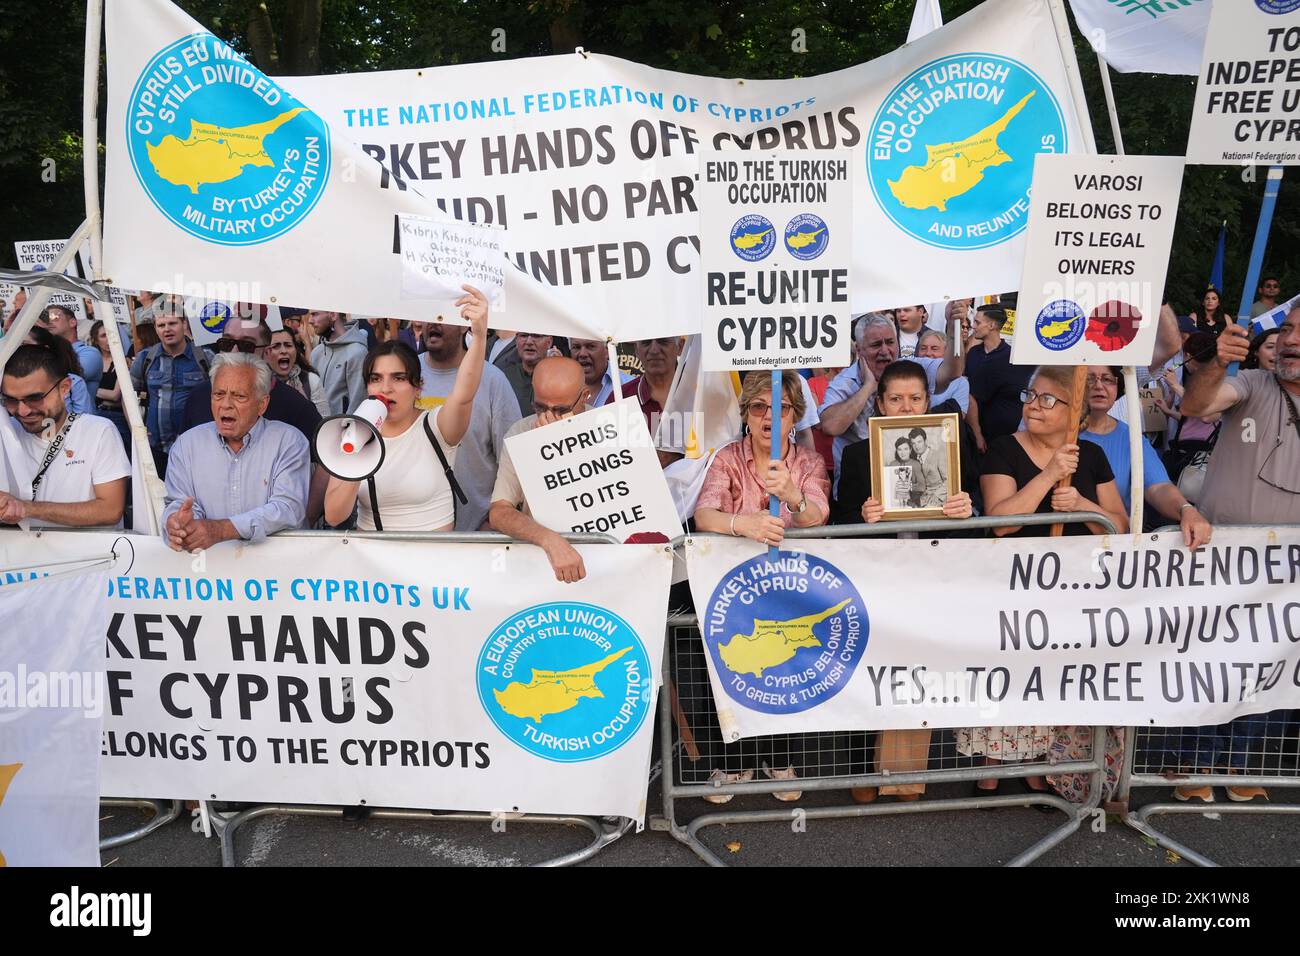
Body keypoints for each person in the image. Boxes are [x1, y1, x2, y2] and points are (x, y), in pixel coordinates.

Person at [1149, 312, 1300, 803]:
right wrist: (1216, 362)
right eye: (1288, 330)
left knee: (1273, 667)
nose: (1290, 341)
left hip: (1288, 574)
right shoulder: (1252, 384)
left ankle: (1244, 762)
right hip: (1223, 564)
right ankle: (1191, 761)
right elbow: (1197, 402)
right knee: (1208, 662)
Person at [830, 360, 973, 803]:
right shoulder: (858, 456)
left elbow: (982, 517)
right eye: (896, 399)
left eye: (915, 398)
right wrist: (864, 517)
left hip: (931, 580)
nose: (906, 408)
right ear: (879, 403)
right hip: (876, 580)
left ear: (928, 402)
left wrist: (967, 511)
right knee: (867, 674)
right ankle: (861, 772)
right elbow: (840, 522)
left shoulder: (953, 449)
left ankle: (907, 775)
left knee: (918, 674)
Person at [692, 370, 830, 801]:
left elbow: (818, 516)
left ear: (795, 417)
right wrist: (742, 523)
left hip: (789, 591)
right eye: (758, 407)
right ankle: (731, 764)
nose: (769, 416)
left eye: (781, 409)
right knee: (728, 666)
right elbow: (705, 515)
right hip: (734, 592)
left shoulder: (808, 463)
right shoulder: (726, 458)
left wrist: (792, 495)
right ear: (746, 415)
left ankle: (778, 757)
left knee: (785, 669)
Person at [324, 288, 489, 532]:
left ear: (418, 387)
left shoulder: (436, 427)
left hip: (431, 565)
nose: (386, 388)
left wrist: (480, 336)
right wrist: (358, 453)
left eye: (399, 378)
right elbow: (334, 516)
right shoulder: (351, 432)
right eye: (376, 378)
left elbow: (464, 393)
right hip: (372, 566)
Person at [163, 353, 309, 551]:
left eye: (239, 396)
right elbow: (180, 503)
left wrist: (221, 530)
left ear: (262, 404)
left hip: (275, 570)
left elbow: (287, 509)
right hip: (208, 572)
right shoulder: (186, 445)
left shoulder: (288, 441)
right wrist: (178, 524)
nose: (226, 404)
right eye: (219, 394)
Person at [818, 313, 961, 495]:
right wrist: (868, 387)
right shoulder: (845, 382)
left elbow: (953, 371)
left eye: (890, 342)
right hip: (860, 486)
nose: (885, 351)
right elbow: (830, 426)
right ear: (859, 349)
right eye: (876, 344)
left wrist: (954, 327)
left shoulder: (910, 367)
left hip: (911, 482)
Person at [981, 365, 1129, 538]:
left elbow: (1120, 527)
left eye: (1047, 399)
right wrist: (1049, 475)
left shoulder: (1092, 454)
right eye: (1030, 395)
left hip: (1082, 562)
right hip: (1020, 563)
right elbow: (1000, 526)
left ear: (1075, 411)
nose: (1033, 405)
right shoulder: (1003, 449)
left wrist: (1082, 505)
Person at [413, 308, 519, 532]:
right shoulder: (405, 374)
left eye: (442, 316)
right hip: (413, 530)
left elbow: (513, 460)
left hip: (475, 535)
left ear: (464, 325)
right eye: (429, 316)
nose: (433, 323)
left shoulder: (492, 380)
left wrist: (494, 520)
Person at [0, 343, 128, 527]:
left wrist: (27, 508)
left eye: (35, 398)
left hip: (86, 554)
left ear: (65, 388)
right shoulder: (5, 433)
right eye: (10, 400)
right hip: (20, 553)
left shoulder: (99, 431)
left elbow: (110, 510)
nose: (23, 410)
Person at [1080, 366, 1212, 546]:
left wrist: (1186, 509)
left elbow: (1158, 488)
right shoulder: (1054, 432)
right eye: (1089, 379)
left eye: (1107, 379)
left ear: (1117, 388)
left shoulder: (1132, 438)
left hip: (1112, 547)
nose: (1098, 385)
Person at [489, 357, 594, 582]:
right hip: (541, 563)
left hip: (602, 561)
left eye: (561, 409)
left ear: (585, 396)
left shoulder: (611, 430)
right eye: (540, 407)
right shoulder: (520, 432)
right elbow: (499, 512)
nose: (548, 416)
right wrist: (549, 540)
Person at [130, 309, 212, 477]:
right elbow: (129, 395)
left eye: (172, 323)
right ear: (155, 329)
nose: (167, 329)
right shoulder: (145, 358)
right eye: (161, 325)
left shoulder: (205, 357)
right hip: (156, 447)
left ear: (184, 324)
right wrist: (136, 426)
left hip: (196, 447)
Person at [963, 304, 1031, 452]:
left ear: (992, 325)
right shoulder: (973, 353)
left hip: (1006, 441)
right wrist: (977, 433)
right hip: (973, 437)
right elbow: (967, 393)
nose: (973, 326)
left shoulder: (1014, 358)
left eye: (977, 322)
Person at [620, 336, 684, 467]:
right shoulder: (620, 398)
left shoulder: (703, 393)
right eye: (646, 343)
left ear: (680, 347)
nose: (654, 350)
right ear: (636, 350)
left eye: (663, 341)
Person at [308, 309, 369, 416]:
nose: (310, 320)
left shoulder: (357, 352)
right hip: (317, 427)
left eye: (314, 314)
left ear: (333, 314)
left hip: (344, 428)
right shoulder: (316, 353)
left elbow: (358, 400)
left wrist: (346, 429)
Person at [39, 305, 102, 398]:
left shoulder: (90, 353)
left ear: (72, 322)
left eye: (54, 316)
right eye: (46, 319)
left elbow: (70, 375)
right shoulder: (45, 350)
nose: (49, 322)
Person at [267, 327, 328, 416]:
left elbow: (324, 422)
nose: (283, 351)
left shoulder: (310, 380)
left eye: (288, 345)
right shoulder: (259, 384)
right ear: (266, 352)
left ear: (296, 350)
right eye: (276, 346)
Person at [89, 319, 130, 450]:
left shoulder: (122, 361)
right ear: (95, 340)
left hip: (116, 416)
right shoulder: (91, 361)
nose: (108, 339)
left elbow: (115, 395)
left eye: (110, 334)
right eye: (103, 336)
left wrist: (89, 388)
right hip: (94, 414)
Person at [497, 331, 552, 417]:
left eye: (536, 336)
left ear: (549, 342)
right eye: (523, 335)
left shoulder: (559, 378)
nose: (529, 342)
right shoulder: (502, 377)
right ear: (516, 340)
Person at [571, 336, 625, 407]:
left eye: (590, 346)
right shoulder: (558, 386)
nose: (582, 354)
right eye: (576, 347)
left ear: (607, 351)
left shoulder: (628, 386)